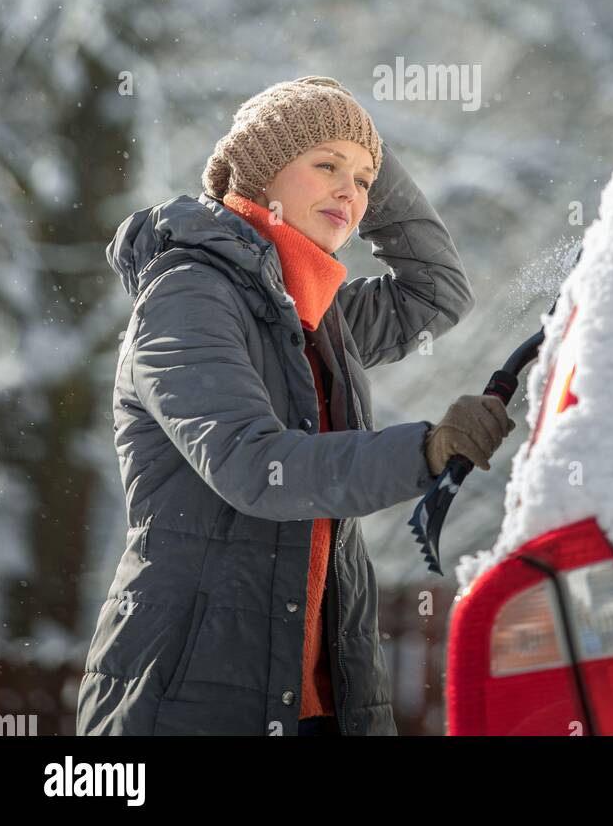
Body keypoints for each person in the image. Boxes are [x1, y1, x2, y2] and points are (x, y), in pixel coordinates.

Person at [75, 75, 513, 736]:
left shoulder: (319, 315)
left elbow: (436, 292)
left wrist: (364, 145)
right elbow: (255, 465)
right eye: (325, 166)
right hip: (187, 699)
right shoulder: (188, 296)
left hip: (326, 703)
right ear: (262, 173)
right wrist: (424, 451)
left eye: (364, 180)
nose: (352, 191)